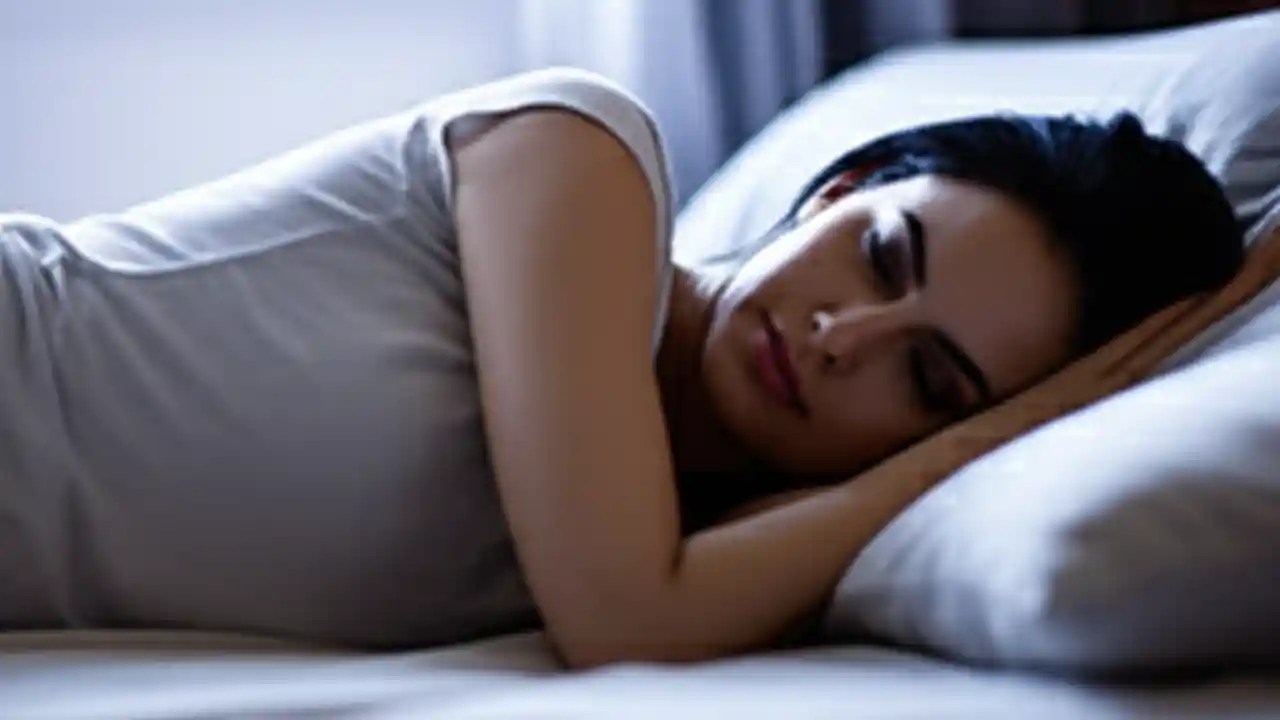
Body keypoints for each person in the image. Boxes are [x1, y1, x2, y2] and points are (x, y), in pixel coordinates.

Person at [0, 68, 1245, 669]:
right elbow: (626, 620)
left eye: (927, 379)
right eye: (879, 257)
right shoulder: (583, 158)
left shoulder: (719, 552)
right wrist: (988, 429)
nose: (840, 338)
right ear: (839, 188)